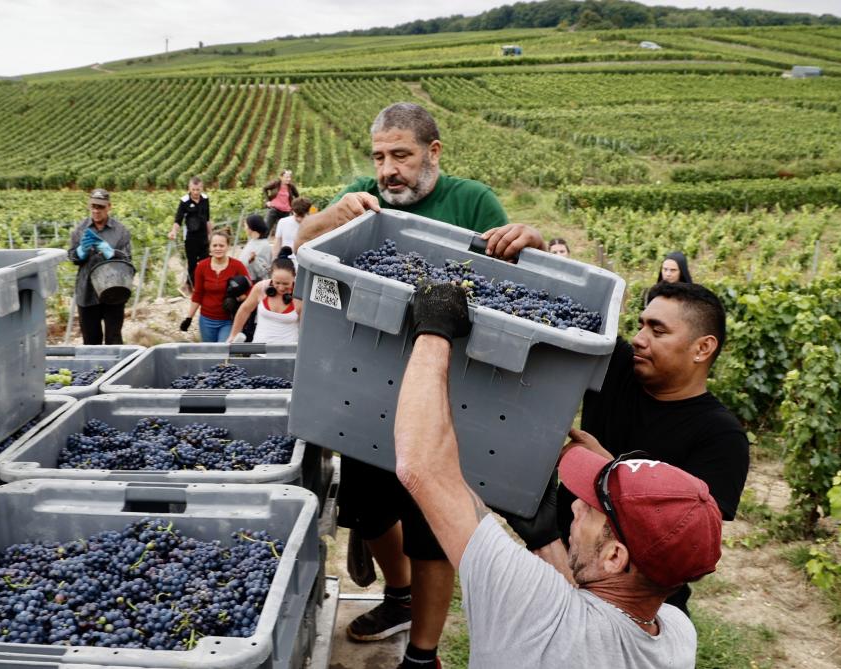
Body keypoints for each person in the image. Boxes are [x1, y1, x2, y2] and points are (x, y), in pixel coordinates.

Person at [295, 102, 544, 669]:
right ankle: (398, 595)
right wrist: (331, 214)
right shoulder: (363, 195)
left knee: (435, 527)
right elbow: (303, 245)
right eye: (380, 157)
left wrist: (524, 240)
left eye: (401, 155)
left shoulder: (472, 200)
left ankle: (422, 654)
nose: (388, 170)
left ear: (433, 153)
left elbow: (517, 278)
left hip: (451, 396)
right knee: (370, 513)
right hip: (370, 392)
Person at [391, 282, 722, 667]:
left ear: (616, 556)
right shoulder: (677, 635)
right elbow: (585, 609)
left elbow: (423, 469)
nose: (577, 505)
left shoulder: (526, 601)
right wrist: (547, 542)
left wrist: (433, 330)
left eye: (592, 508)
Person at [507, 281, 748, 617]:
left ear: (702, 348)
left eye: (658, 331)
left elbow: (687, 539)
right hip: (557, 559)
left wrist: (607, 470)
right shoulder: (617, 366)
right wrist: (535, 246)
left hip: (638, 604)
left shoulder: (722, 437)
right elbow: (558, 301)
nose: (639, 338)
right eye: (641, 325)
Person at [67, 189, 133, 345]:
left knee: (114, 338)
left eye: (100, 207)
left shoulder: (120, 231)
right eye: (93, 206)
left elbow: (128, 260)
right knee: (90, 341)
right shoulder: (80, 229)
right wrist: (80, 252)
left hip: (114, 290)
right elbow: (71, 256)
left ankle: (116, 369)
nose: (96, 210)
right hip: (87, 292)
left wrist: (112, 253)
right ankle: (94, 369)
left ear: (109, 206)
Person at [180, 230, 249, 343]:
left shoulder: (237, 266)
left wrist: (237, 299)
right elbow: (198, 294)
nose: (218, 248)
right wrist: (189, 318)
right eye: (215, 245)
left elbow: (251, 289)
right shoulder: (202, 266)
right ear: (210, 247)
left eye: (221, 245)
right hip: (206, 319)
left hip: (228, 320)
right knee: (209, 353)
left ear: (228, 247)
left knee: (222, 351)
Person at [227, 256, 302, 345]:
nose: (281, 288)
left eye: (286, 284)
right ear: (271, 276)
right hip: (259, 352)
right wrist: (233, 335)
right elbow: (245, 310)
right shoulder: (261, 288)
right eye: (277, 283)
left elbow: (306, 327)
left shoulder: (300, 295)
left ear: (294, 277)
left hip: (287, 354)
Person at [170, 176, 212, 291]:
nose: (195, 192)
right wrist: (173, 231)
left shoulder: (205, 199)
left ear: (201, 188)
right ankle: (194, 287)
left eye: (198, 189)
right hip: (191, 238)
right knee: (192, 264)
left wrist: (210, 236)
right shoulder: (184, 201)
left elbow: (208, 219)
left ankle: (201, 285)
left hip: (203, 237)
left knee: (205, 262)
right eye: (193, 189)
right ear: (189, 188)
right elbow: (178, 220)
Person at [237, 213, 272, 283]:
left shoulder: (265, 245)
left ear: (252, 227)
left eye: (245, 226)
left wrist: (253, 261)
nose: (244, 228)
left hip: (256, 283)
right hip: (245, 280)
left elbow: (265, 271)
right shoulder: (252, 241)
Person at [272, 197, 308, 263]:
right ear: (292, 211)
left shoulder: (312, 224)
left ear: (307, 212)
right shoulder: (283, 222)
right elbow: (277, 242)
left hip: (303, 261)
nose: (299, 219)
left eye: (302, 216)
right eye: (297, 216)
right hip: (286, 260)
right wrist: (274, 260)